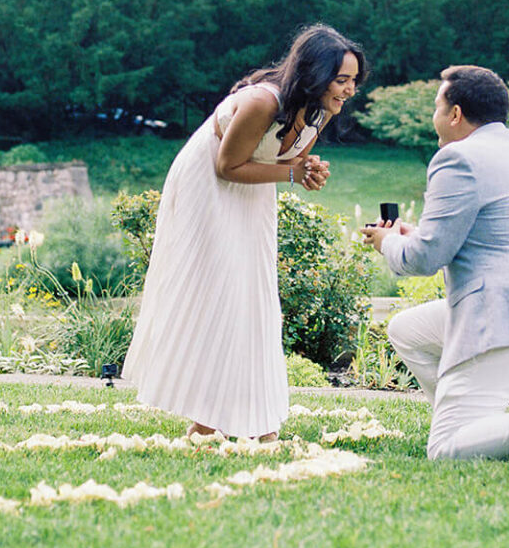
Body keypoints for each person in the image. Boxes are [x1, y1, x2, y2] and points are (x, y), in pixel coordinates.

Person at [124, 24, 367, 440]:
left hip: (253, 190)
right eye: (342, 79)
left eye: (354, 80)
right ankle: (213, 420)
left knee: (254, 296)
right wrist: (292, 173)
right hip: (208, 186)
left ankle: (240, 421)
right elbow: (226, 166)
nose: (350, 90)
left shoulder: (323, 109)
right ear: (315, 74)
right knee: (220, 295)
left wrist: (307, 169)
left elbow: (287, 160)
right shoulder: (261, 102)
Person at [361, 65, 509, 459]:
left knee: (445, 451)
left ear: (455, 114)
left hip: (504, 317)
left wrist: (387, 243)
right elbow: (491, 237)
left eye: (436, 107)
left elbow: (425, 259)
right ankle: (481, 424)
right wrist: (414, 234)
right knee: (406, 329)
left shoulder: (458, 158)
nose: (433, 116)